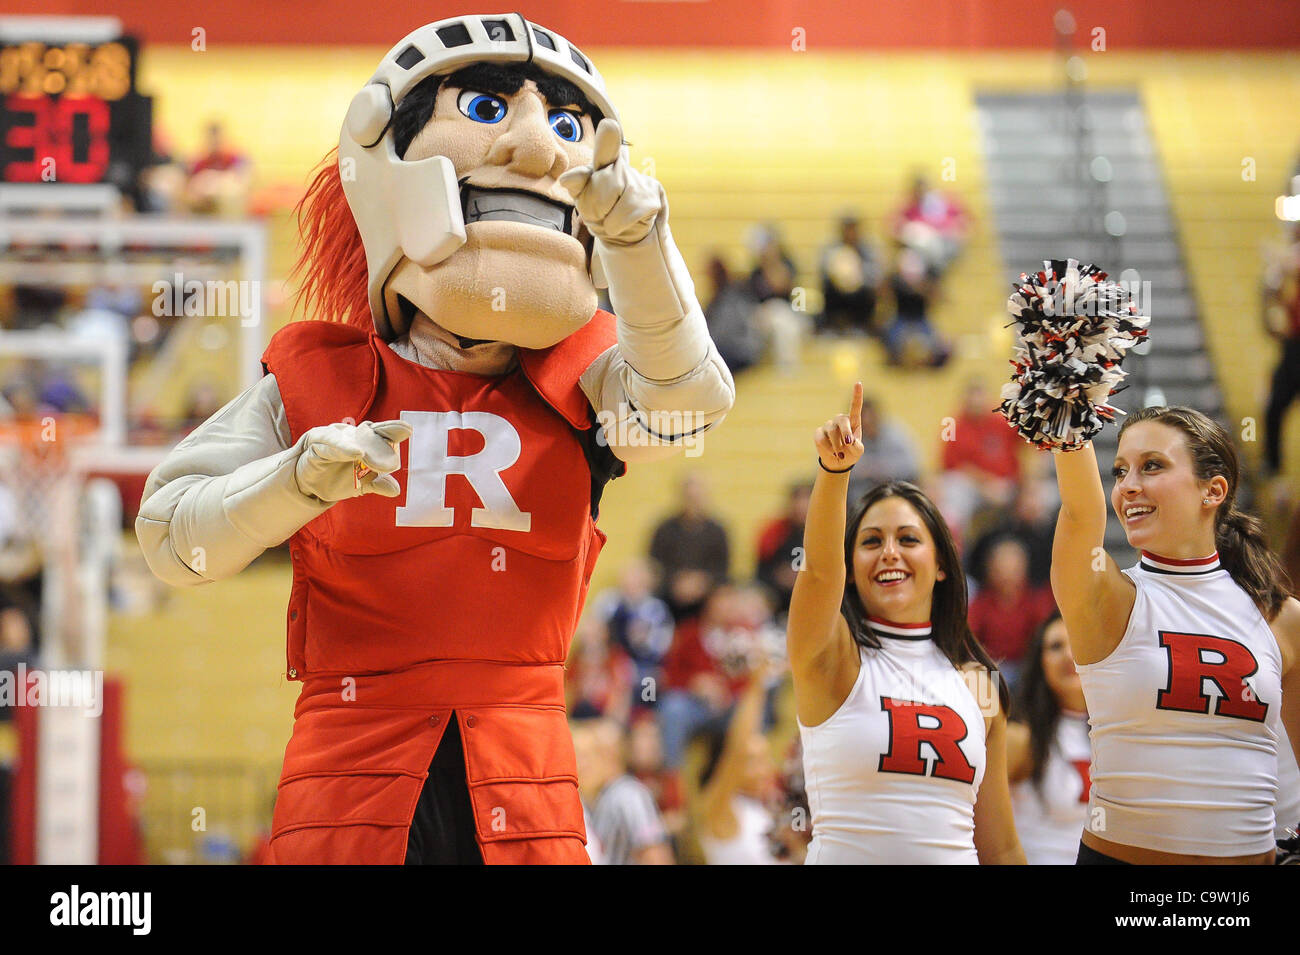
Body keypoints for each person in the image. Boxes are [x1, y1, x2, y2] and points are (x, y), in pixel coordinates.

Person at [135, 14, 734, 865]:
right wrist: (294, 481)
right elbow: (170, 541)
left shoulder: (586, 369)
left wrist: (641, 241)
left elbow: (688, 411)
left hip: (524, 780)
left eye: (565, 127)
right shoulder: (317, 375)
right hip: (350, 783)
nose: (536, 148)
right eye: (489, 108)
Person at [1046, 405, 1300, 864]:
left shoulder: (1282, 620)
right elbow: (1082, 512)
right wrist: (1067, 404)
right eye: (1120, 471)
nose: (1128, 486)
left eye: (1152, 466)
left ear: (1213, 490)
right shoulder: (1107, 596)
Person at [787, 383, 1024, 864]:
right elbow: (817, 572)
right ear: (851, 568)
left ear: (941, 563)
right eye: (871, 541)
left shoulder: (979, 684)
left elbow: (999, 848)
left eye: (908, 538)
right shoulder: (833, 658)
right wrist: (835, 472)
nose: (889, 552)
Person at [1006, 614, 1092, 864]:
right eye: (1056, 646)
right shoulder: (1020, 737)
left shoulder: (1116, 733)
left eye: (1078, 641)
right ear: (1039, 661)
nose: (1069, 654)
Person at [689, 661, 785, 864]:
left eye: (765, 759)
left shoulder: (763, 813)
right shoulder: (719, 808)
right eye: (754, 762)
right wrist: (757, 685)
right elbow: (738, 749)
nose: (765, 769)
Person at [818, 213, 882, 337]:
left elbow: (876, 275)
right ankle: (834, 324)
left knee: (868, 291)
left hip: (860, 295)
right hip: (837, 294)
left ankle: (862, 325)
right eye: (847, 229)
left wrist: (858, 275)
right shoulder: (830, 249)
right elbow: (823, 274)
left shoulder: (867, 250)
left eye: (853, 229)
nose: (850, 233)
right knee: (828, 287)